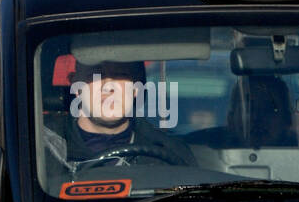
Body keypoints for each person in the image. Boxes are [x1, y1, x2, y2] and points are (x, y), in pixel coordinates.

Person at [43, 59, 195, 173]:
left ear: (136, 89)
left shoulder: (171, 153)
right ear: (76, 87)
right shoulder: (40, 149)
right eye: (95, 75)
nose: (108, 86)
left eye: (120, 75)